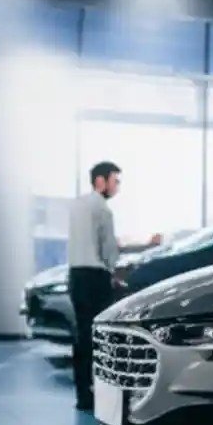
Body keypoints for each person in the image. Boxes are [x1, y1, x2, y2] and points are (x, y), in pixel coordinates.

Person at [68, 161, 121, 411]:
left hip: (76, 275)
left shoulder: (76, 205)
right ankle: (99, 391)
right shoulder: (103, 209)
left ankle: (82, 394)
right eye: (115, 180)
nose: (117, 186)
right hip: (95, 277)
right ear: (100, 181)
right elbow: (109, 250)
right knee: (100, 336)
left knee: (82, 334)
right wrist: (113, 271)